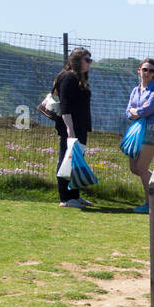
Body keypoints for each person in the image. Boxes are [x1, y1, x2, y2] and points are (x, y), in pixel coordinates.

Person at [53, 48, 92, 209]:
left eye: (90, 60)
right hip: (71, 127)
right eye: (87, 60)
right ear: (77, 61)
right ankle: (65, 198)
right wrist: (70, 130)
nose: (90, 63)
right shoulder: (68, 77)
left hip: (80, 126)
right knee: (66, 159)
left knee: (76, 160)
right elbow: (65, 106)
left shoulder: (79, 78)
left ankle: (74, 195)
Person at [125, 58, 154, 214]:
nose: (147, 73)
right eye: (145, 69)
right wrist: (135, 112)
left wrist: (136, 112)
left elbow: (148, 109)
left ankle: (151, 204)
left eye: (151, 71)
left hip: (152, 130)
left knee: (142, 168)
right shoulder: (135, 90)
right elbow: (128, 110)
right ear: (139, 70)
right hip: (136, 131)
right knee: (134, 168)